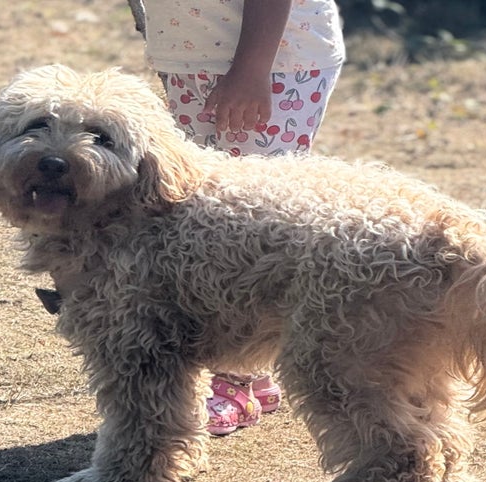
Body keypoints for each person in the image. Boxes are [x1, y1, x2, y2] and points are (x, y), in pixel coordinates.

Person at [136, 0, 346, 435]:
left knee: (245, 228)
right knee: (197, 213)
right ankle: (254, 374)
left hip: (270, 61)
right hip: (190, 53)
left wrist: (251, 71)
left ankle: (235, 382)